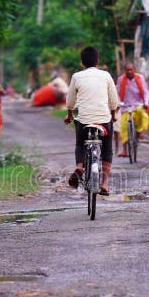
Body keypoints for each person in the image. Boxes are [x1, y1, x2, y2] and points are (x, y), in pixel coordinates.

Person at [63, 46, 119, 196]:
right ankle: (105, 183)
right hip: (103, 121)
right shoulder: (106, 75)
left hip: (84, 121)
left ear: (82, 62)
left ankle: (80, 166)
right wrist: (113, 115)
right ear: (98, 61)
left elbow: (70, 101)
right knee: (107, 150)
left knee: (80, 144)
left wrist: (69, 115)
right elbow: (113, 100)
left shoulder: (76, 77)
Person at [116, 62, 149, 157]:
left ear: (134, 70)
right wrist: (119, 103)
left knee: (142, 114)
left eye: (131, 69)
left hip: (138, 104)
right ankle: (124, 150)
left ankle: (139, 131)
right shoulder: (120, 79)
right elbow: (118, 93)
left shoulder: (140, 78)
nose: (129, 71)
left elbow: (146, 92)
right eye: (127, 70)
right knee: (123, 127)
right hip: (126, 106)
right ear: (125, 70)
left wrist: (146, 103)